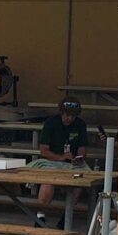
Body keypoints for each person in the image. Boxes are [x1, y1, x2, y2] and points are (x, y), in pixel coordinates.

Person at [34, 96, 90, 226]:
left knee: (80, 179)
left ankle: (67, 215)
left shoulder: (81, 125)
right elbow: (43, 150)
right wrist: (61, 157)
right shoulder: (51, 123)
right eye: (66, 114)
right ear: (61, 112)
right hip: (51, 161)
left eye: (72, 115)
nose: (68, 118)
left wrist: (79, 158)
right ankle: (40, 215)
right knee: (48, 179)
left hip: (72, 163)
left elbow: (82, 149)